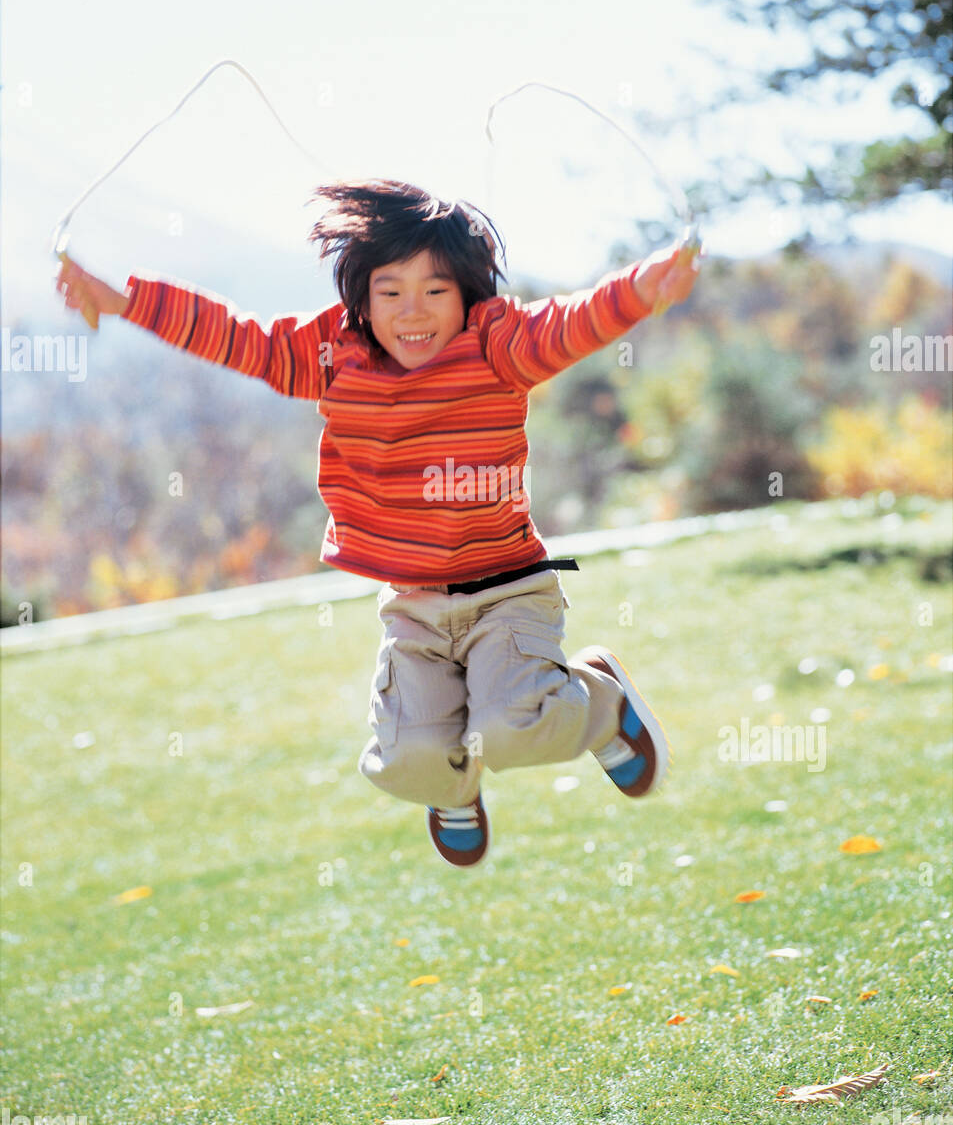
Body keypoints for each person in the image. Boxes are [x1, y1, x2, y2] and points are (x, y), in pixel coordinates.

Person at [55, 178, 700, 868]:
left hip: (507, 588)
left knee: (513, 728)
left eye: (435, 290)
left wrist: (642, 287)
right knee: (404, 759)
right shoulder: (331, 354)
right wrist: (121, 300)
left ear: (467, 294)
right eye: (390, 292)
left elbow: (573, 321)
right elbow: (233, 336)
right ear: (360, 300)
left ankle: (599, 702)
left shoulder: (498, 345)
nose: (412, 312)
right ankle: (448, 785)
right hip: (414, 605)